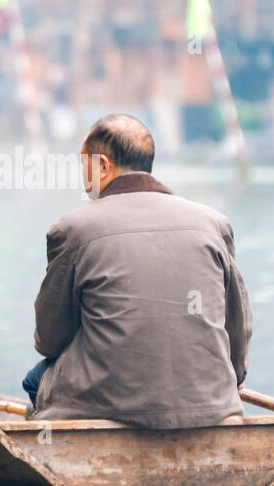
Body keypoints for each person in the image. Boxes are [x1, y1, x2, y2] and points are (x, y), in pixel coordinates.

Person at [24, 113, 252, 429]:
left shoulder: (73, 229)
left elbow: (49, 340)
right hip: (210, 403)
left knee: (35, 379)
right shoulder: (213, 224)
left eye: (84, 167)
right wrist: (233, 379)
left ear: (102, 166)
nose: (83, 179)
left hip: (109, 404)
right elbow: (237, 333)